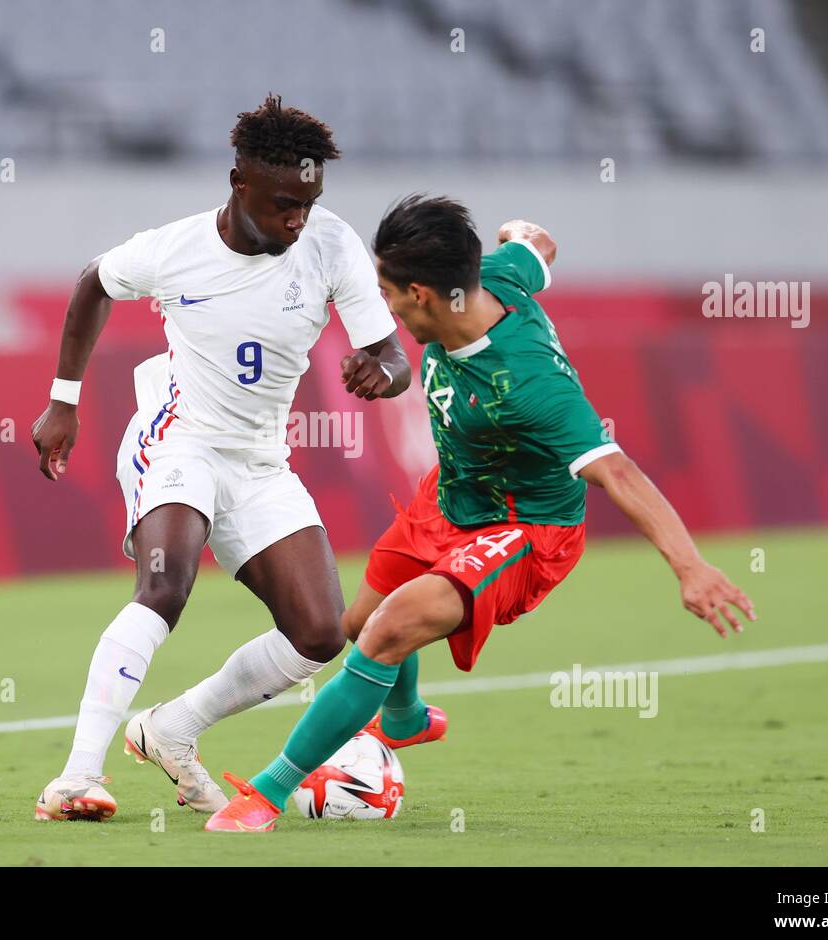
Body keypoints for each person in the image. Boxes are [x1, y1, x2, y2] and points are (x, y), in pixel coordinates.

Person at [205, 195, 756, 833]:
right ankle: (406, 718)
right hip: (449, 498)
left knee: (388, 629)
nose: (381, 307)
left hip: (524, 529)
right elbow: (537, 243)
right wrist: (518, 233)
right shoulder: (495, 276)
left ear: (423, 295)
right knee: (356, 623)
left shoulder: (529, 386)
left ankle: (265, 796)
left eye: (388, 293)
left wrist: (689, 567)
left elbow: (618, 472)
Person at [29, 95, 410, 821]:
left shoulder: (330, 244)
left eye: (309, 202)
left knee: (321, 632)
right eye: (284, 203)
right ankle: (78, 776)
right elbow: (93, 282)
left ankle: (173, 728)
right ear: (238, 183)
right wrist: (63, 400)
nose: (297, 219)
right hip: (180, 440)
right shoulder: (174, 250)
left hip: (263, 462)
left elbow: (391, 355)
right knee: (165, 589)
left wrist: (381, 374)